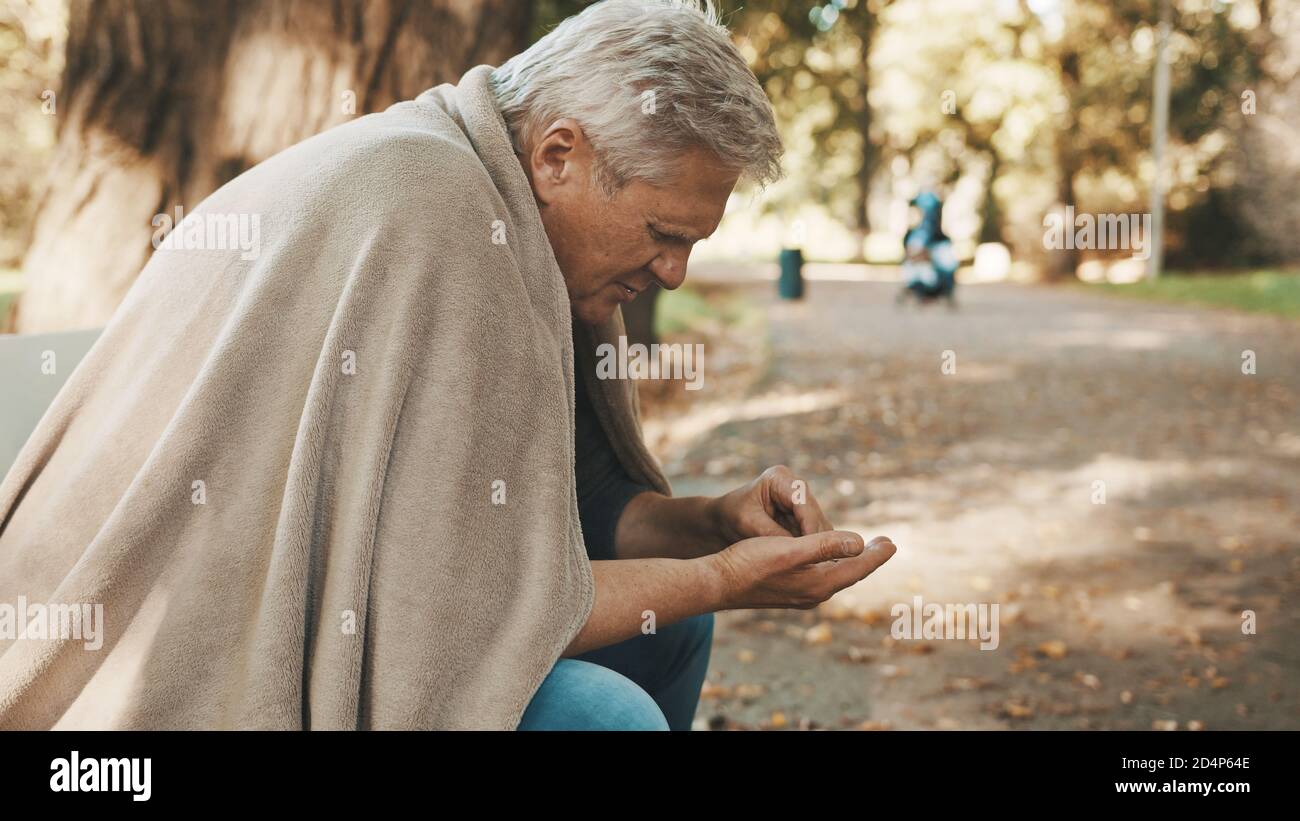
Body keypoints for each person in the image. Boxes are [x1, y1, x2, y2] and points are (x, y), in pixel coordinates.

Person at [0, 0, 896, 730]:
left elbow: (569, 514)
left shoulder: (504, 200)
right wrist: (724, 578)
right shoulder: (439, 209)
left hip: (322, 611)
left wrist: (712, 525)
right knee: (604, 715)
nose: (674, 274)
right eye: (664, 234)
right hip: (171, 669)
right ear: (559, 154)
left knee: (673, 630)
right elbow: (461, 611)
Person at [899, 190, 959, 307]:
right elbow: (909, 254)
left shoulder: (940, 238)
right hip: (919, 271)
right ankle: (922, 292)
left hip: (936, 274)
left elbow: (947, 262)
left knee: (935, 267)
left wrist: (926, 255)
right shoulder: (911, 235)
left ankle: (934, 292)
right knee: (916, 270)